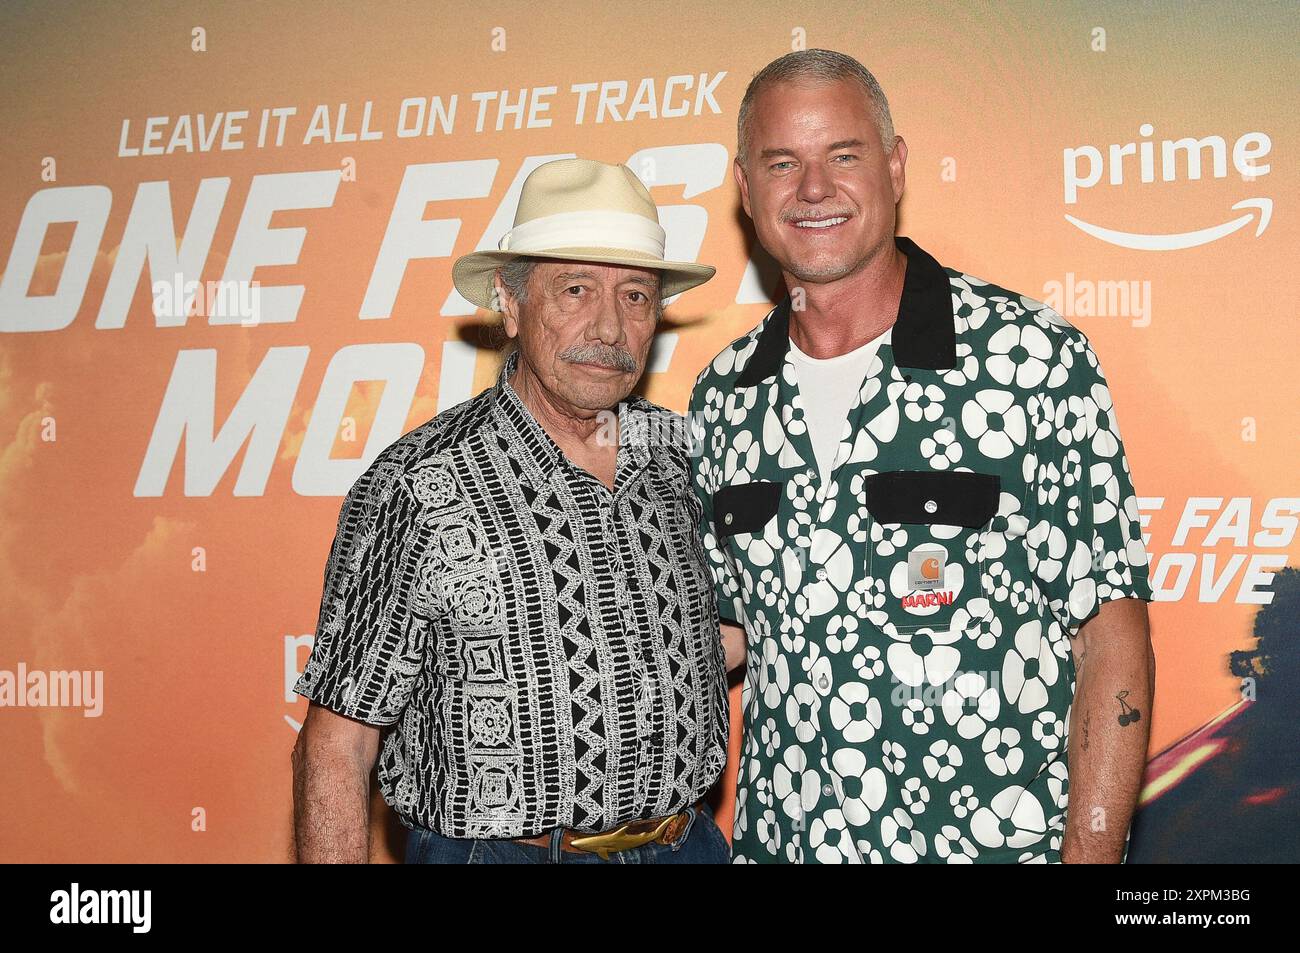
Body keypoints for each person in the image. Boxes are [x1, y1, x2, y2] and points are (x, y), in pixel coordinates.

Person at [690, 49, 1155, 863]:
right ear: (745, 186)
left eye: (844, 155)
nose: (813, 190)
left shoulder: (1028, 357)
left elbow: (1109, 634)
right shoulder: (724, 397)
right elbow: (726, 631)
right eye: (781, 163)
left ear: (895, 165)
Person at [292, 158, 731, 864]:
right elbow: (340, 742)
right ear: (512, 302)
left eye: (636, 297)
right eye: (576, 290)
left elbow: (718, 639)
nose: (609, 328)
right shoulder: (420, 483)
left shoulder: (685, 457)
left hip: (686, 847)